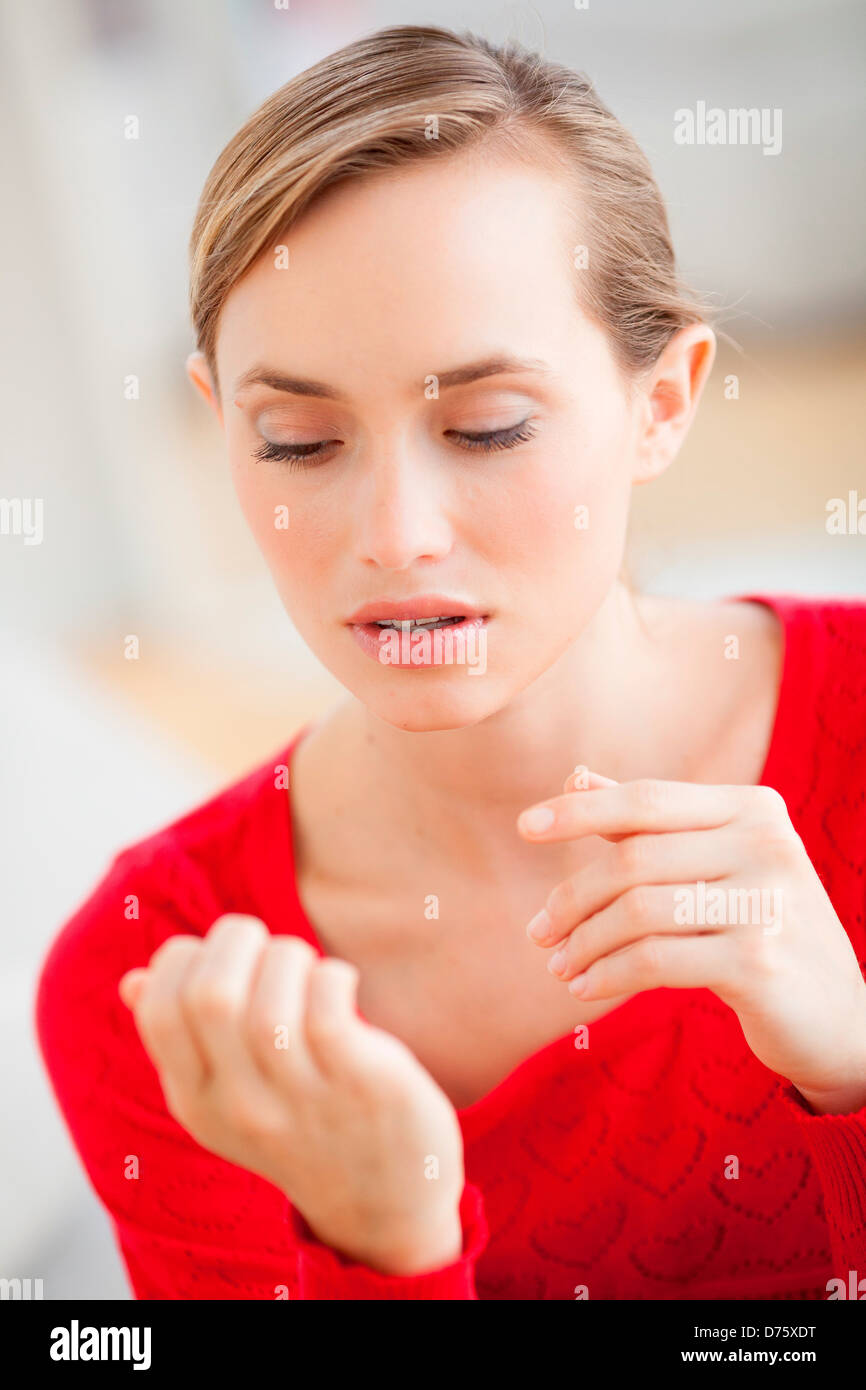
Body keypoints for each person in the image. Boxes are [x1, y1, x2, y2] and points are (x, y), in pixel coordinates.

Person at [35, 24, 866, 1301]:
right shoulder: (149, 982)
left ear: (662, 402)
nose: (392, 537)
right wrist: (389, 1247)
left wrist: (851, 1076)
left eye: (484, 427)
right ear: (220, 428)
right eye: (298, 443)